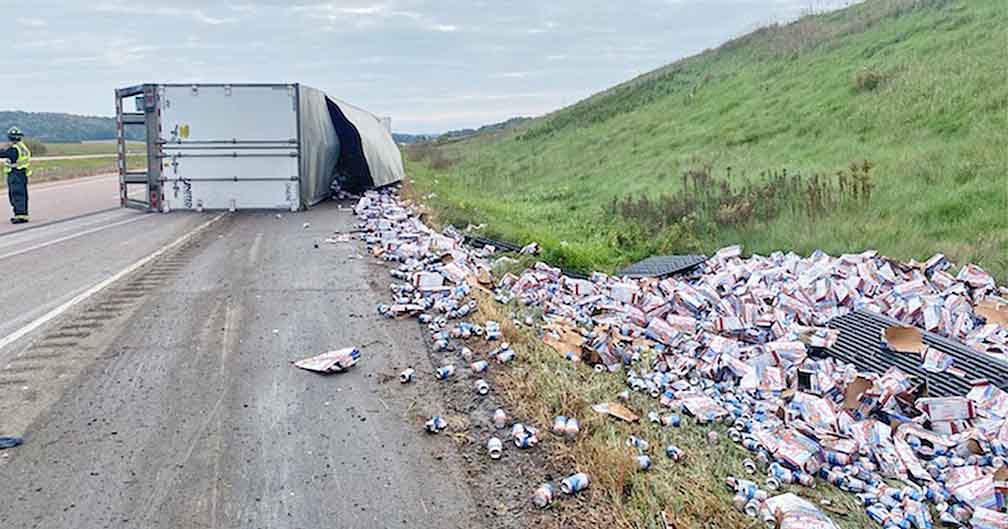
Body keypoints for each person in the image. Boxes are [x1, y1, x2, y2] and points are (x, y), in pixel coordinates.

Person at [0, 126, 31, 224]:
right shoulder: (23, 147)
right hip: (22, 173)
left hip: (15, 174)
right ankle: (23, 214)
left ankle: (20, 216)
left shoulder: (14, 149)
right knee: (22, 194)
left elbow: (3, 153)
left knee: (16, 194)